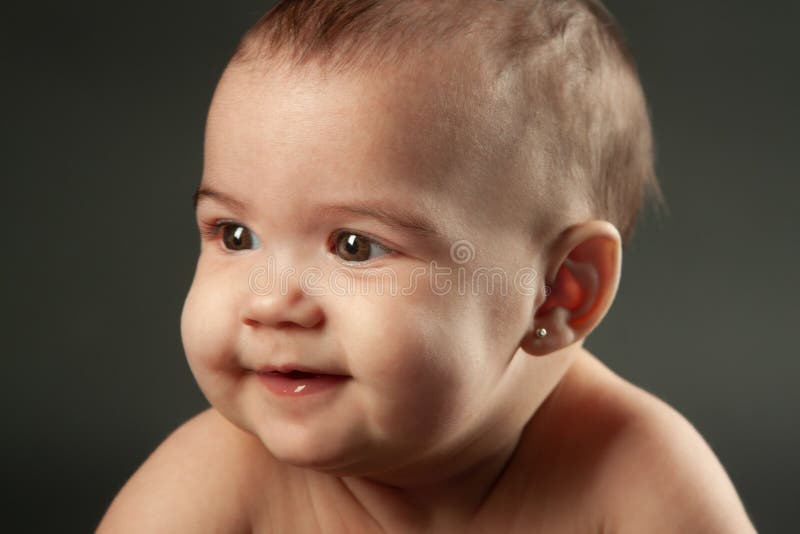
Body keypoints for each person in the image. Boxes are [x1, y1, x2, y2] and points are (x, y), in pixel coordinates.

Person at [98, 1, 756, 532]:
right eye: (236, 235)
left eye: (354, 246)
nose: (269, 303)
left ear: (557, 290)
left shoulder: (636, 477)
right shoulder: (209, 482)